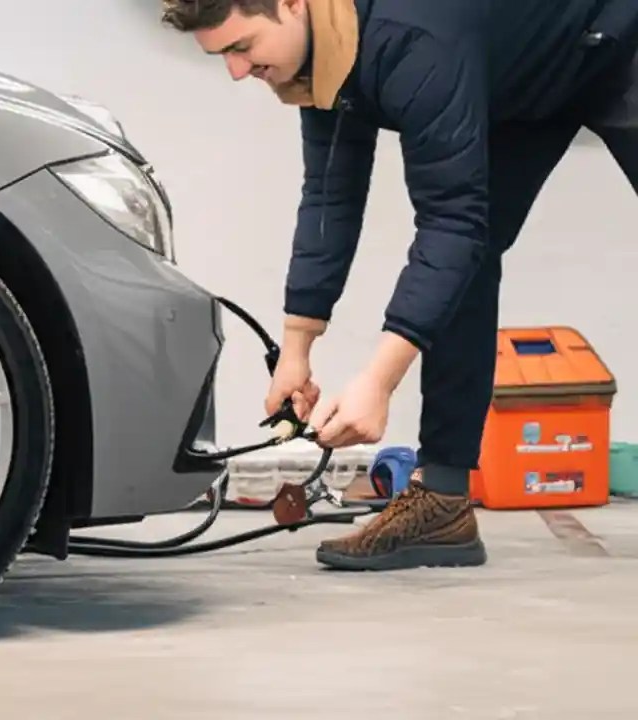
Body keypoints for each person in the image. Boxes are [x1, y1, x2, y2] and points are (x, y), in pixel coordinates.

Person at [160, 0, 638, 571]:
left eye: (242, 47)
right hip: (528, 75)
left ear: (291, 5)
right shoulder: (321, 56)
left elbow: (449, 224)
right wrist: (295, 350)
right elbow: (330, 197)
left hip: (619, 35)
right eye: (222, 56)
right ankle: (443, 502)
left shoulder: (413, 41)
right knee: (470, 262)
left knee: (459, 241)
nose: (236, 71)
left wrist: (378, 382)